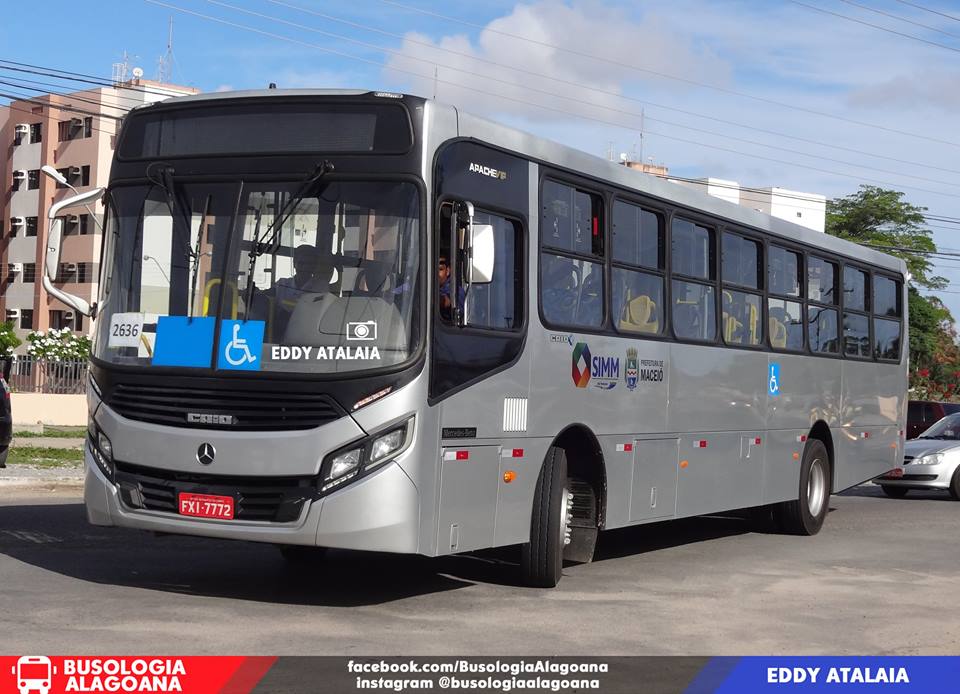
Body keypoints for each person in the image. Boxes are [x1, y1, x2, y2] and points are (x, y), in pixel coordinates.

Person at [438, 254, 464, 320]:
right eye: (433, 270)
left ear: (448, 271)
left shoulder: (456, 290)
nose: (436, 273)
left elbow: (447, 302)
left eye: (440, 269)